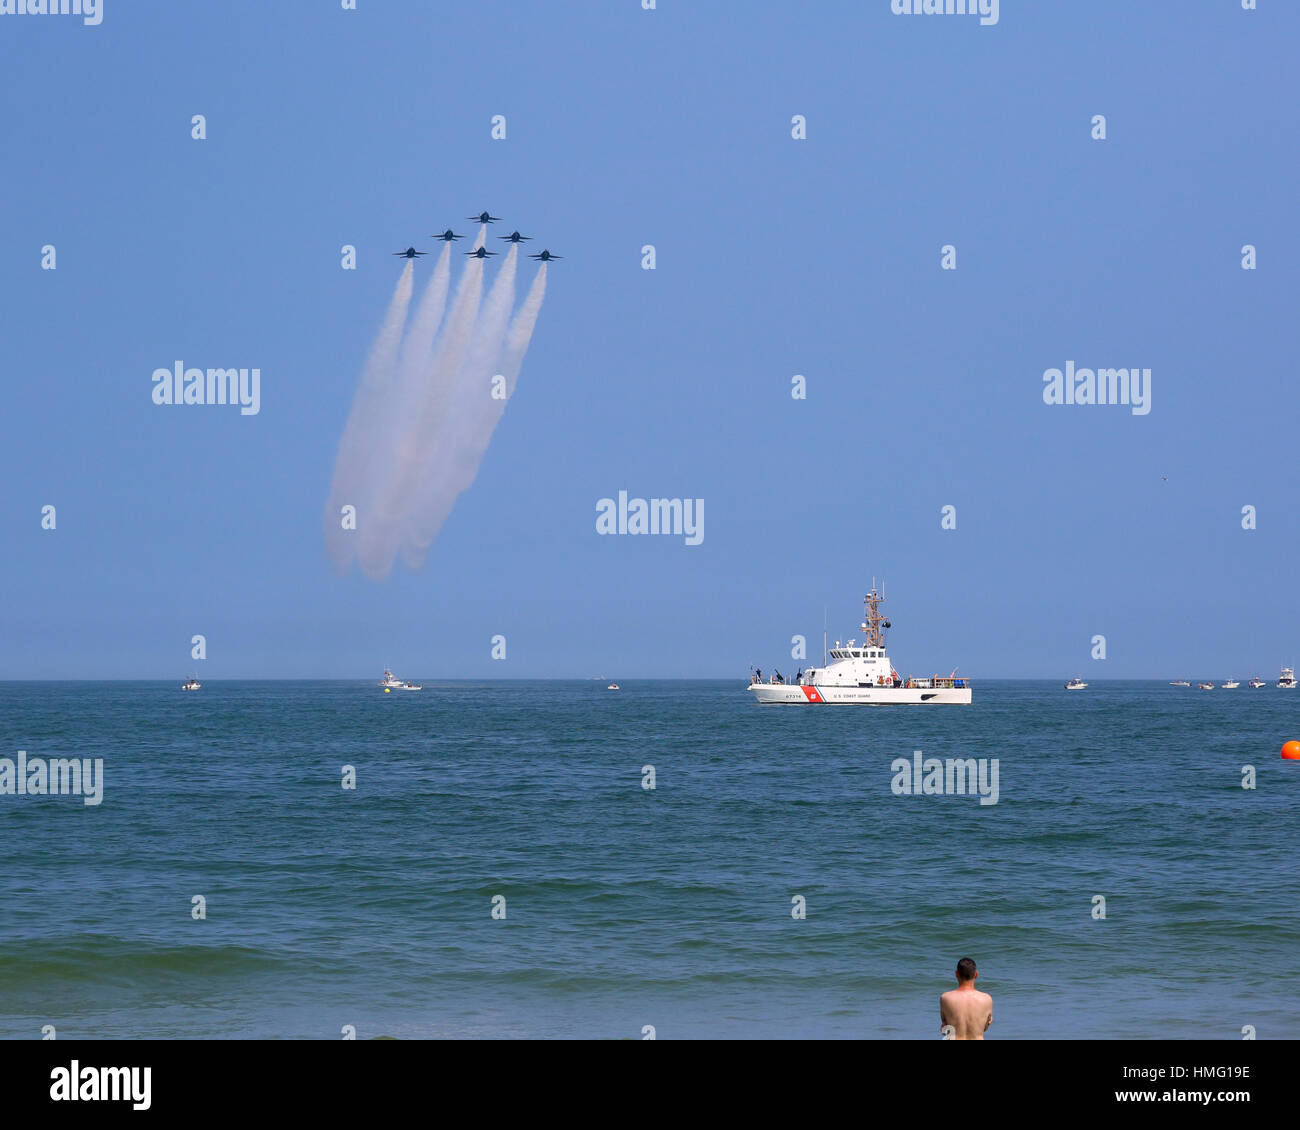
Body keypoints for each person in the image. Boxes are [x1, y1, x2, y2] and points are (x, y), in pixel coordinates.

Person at [939, 957, 993, 1040]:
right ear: (976, 974)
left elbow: (945, 1028)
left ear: (956, 974)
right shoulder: (986, 999)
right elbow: (984, 1029)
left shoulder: (946, 998)